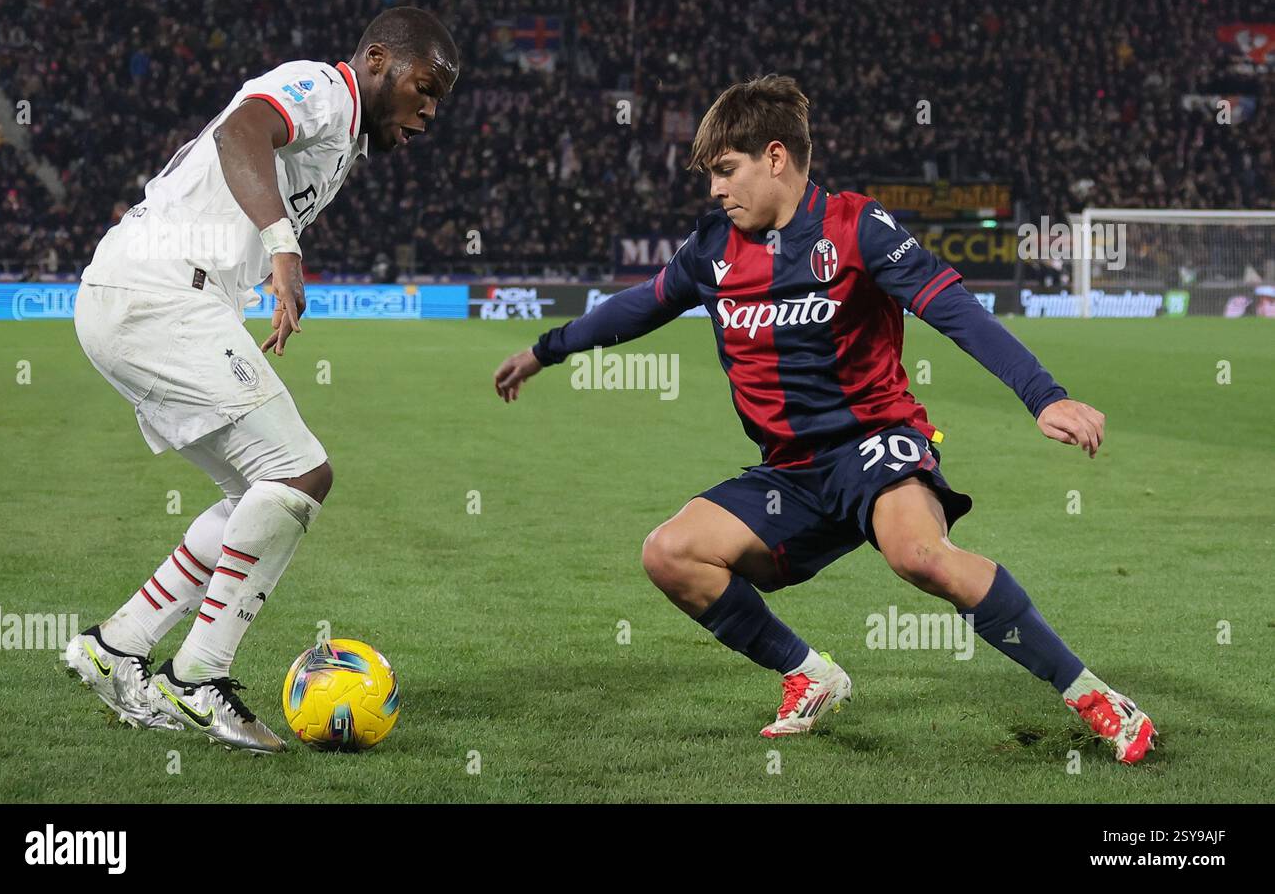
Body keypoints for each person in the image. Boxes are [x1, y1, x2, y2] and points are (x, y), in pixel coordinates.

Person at [493, 75, 1154, 764]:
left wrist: (1043, 394)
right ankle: (809, 673)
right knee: (670, 552)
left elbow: (951, 306)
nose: (716, 190)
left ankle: (1094, 695)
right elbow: (641, 304)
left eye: (726, 171)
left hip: (877, 445)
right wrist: (548, 351)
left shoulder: (854, 228)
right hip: (791, 472)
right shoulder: (714, 248)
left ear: (775, 157)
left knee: (917, 554)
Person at [65, 7, 459, 753]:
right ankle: (195, 677)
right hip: (158, 294)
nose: (430, 111)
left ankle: (116, 647)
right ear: (377, 59)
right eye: (425, 87)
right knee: (302, 473)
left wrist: (258, 288)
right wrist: (285, 253)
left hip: (152, 296)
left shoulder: (344, 138)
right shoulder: (323, 88)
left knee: (259, 497)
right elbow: (240, 132)